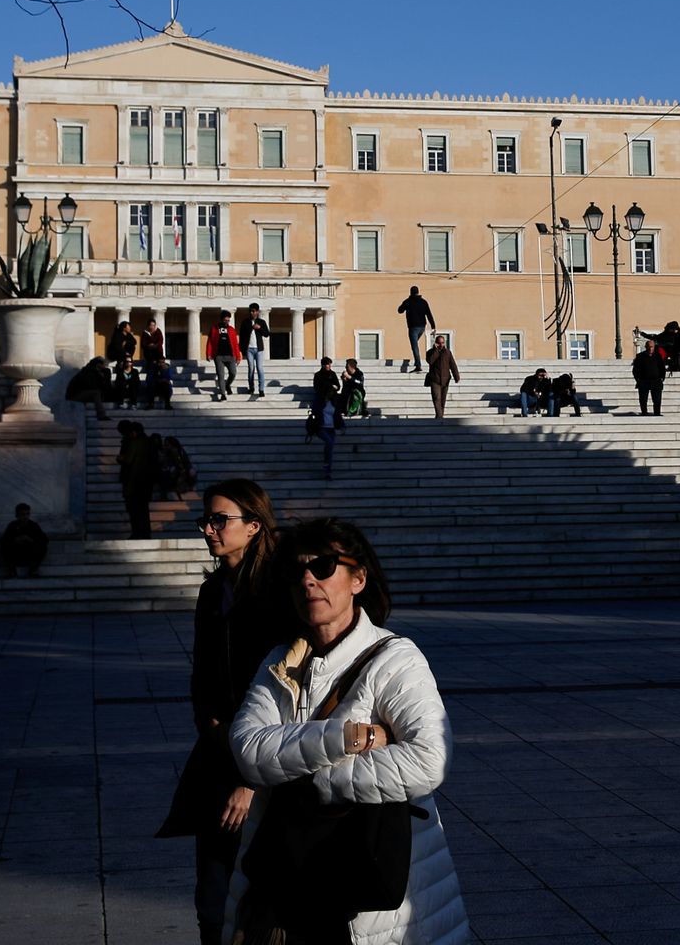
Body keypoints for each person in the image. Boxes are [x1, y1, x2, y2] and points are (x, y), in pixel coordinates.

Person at [224, 517, 469, 944]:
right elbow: (248, 751)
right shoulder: (281, 662)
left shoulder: (396, 660)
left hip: (365, 893)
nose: (307, 580)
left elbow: (429, 760)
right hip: (285, 878)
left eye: (323, 567)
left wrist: (314, 777)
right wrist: (349, 739)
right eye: (296, 570)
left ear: (358, 579)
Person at [157, 480, 295, 945]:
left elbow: (292, 691)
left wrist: (252, 778)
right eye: (207, 520)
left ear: (254, 526)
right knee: (211, 891)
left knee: (267, 892)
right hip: (218, 753)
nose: (209, 529)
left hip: (271, 760)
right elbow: (203, 676)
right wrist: (211, 726)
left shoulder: (281, 592)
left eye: (221, 520)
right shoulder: (213, 590)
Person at [117, 422, 158, 539]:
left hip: (134, 483)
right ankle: (145, 533)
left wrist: (121, 458)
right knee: (143, 510)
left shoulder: (134, 442)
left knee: (135, 510)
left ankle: (138, 533)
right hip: (145, 482)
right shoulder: (147, 441)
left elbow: (128, 460)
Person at [0, 503, 49, 578]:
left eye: (27, 514)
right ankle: (12, 571)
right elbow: (4, 540)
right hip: (16, 554)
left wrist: (30, 540)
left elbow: (45, 539)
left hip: (30, 554)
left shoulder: (33, 525)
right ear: (17, 515)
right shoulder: (12, 525)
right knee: (5, 547)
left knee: (42, 546)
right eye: (22, 514)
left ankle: (33, 570)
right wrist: (15, 540)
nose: (25, 517)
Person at [396, 285, 436, 373]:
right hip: (422, 327)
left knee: (414, 346)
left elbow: (399, 310)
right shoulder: (423, 302)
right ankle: (417, 362)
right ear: (418, 292)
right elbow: (429, 314)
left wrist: (405, 304)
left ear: (410, 293)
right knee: (414, 344)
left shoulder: (408, 302)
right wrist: (433, 327)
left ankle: (418, 365)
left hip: (413, 327)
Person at [206, 311, 240, 401]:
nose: (227, 321)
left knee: (233, 373)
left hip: (230, 356)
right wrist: (209, 353)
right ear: (222, 319)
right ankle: (223, 394)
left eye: (228, 320)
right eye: (225, 320)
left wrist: (238, 356)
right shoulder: (214, 328)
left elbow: (236, 344)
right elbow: (210, 342)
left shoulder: (232, 330)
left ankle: (227, 384)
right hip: (219, 356)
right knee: (221, 375)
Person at [425, 334, 460, 420]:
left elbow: (452, 364)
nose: (441, 344)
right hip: (434, 379)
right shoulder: (430, 352)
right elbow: (430, 361)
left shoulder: (447, 352)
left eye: (443, 343)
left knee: (443, 400)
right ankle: (440, 416)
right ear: (435, 343)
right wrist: (435, 350)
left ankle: (439, 416)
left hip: (445, 379)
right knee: (436, 398)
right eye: (439, 343)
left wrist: (456, 376)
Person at [239, 303, 270, 397]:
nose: (253, 313)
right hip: (249, 349)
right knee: (251, 369)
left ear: (258, 311)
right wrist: (242, 350)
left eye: (255, 311)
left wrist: (259, 328)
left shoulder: (262, 322)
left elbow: (267, 334)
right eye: (251, 311)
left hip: (259, 349)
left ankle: (261, 389)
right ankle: (251, 387)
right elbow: (242, 335)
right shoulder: (245, 322)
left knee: (260, 369)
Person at [632, 340, 665, 416]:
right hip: (644, 381)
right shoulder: (640, 356)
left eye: (652, 347)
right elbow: (635, 369)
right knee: (643, 399)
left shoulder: (658, 356)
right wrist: (638, 379)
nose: (650, 349)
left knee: (657, 399)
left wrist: (662, 378)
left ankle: (657, 413)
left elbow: (662, 368)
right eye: (649, 347)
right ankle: (644, 412)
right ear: (646, 347)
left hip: (656, 381)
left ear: (654, 347)